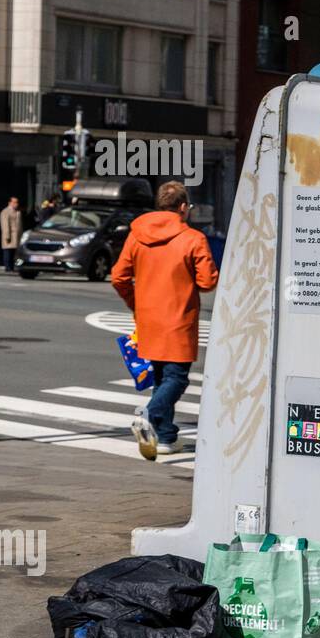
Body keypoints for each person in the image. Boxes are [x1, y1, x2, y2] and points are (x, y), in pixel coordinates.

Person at [111, 181, 219, 460]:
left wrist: (136, 304)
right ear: (183, 208)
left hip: (148, 319)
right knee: (177, 378)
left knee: (161, 378)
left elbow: (119, 277)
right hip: (179, 319)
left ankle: (167, 436)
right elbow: (207, 282)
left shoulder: (137, 235)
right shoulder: (193, 239)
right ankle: (149, 414)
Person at [0, 197, 22, 273]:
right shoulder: (5, 212)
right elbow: (5, 225)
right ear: (10, 203)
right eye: (14, 202)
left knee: (14, 253)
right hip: (10, 235)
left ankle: (12, 267)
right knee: (8, 252)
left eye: (17, 202)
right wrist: (7, 236)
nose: (16, 204)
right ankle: (8, 267)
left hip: (17, 236)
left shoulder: (18, 212)